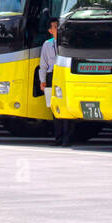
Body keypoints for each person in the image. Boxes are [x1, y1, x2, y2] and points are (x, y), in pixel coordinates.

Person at [39, 17, 71, 146]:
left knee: (65, 106)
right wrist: (42, 81)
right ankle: (58, 138)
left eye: (59, 26)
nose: (58, 29)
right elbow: (43, 64)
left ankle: (67, 138)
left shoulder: (67, 42)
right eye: (55, 27)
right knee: (54, 107)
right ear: (50, 30)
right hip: (51, 76)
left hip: (64, 74)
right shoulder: (47, 44)